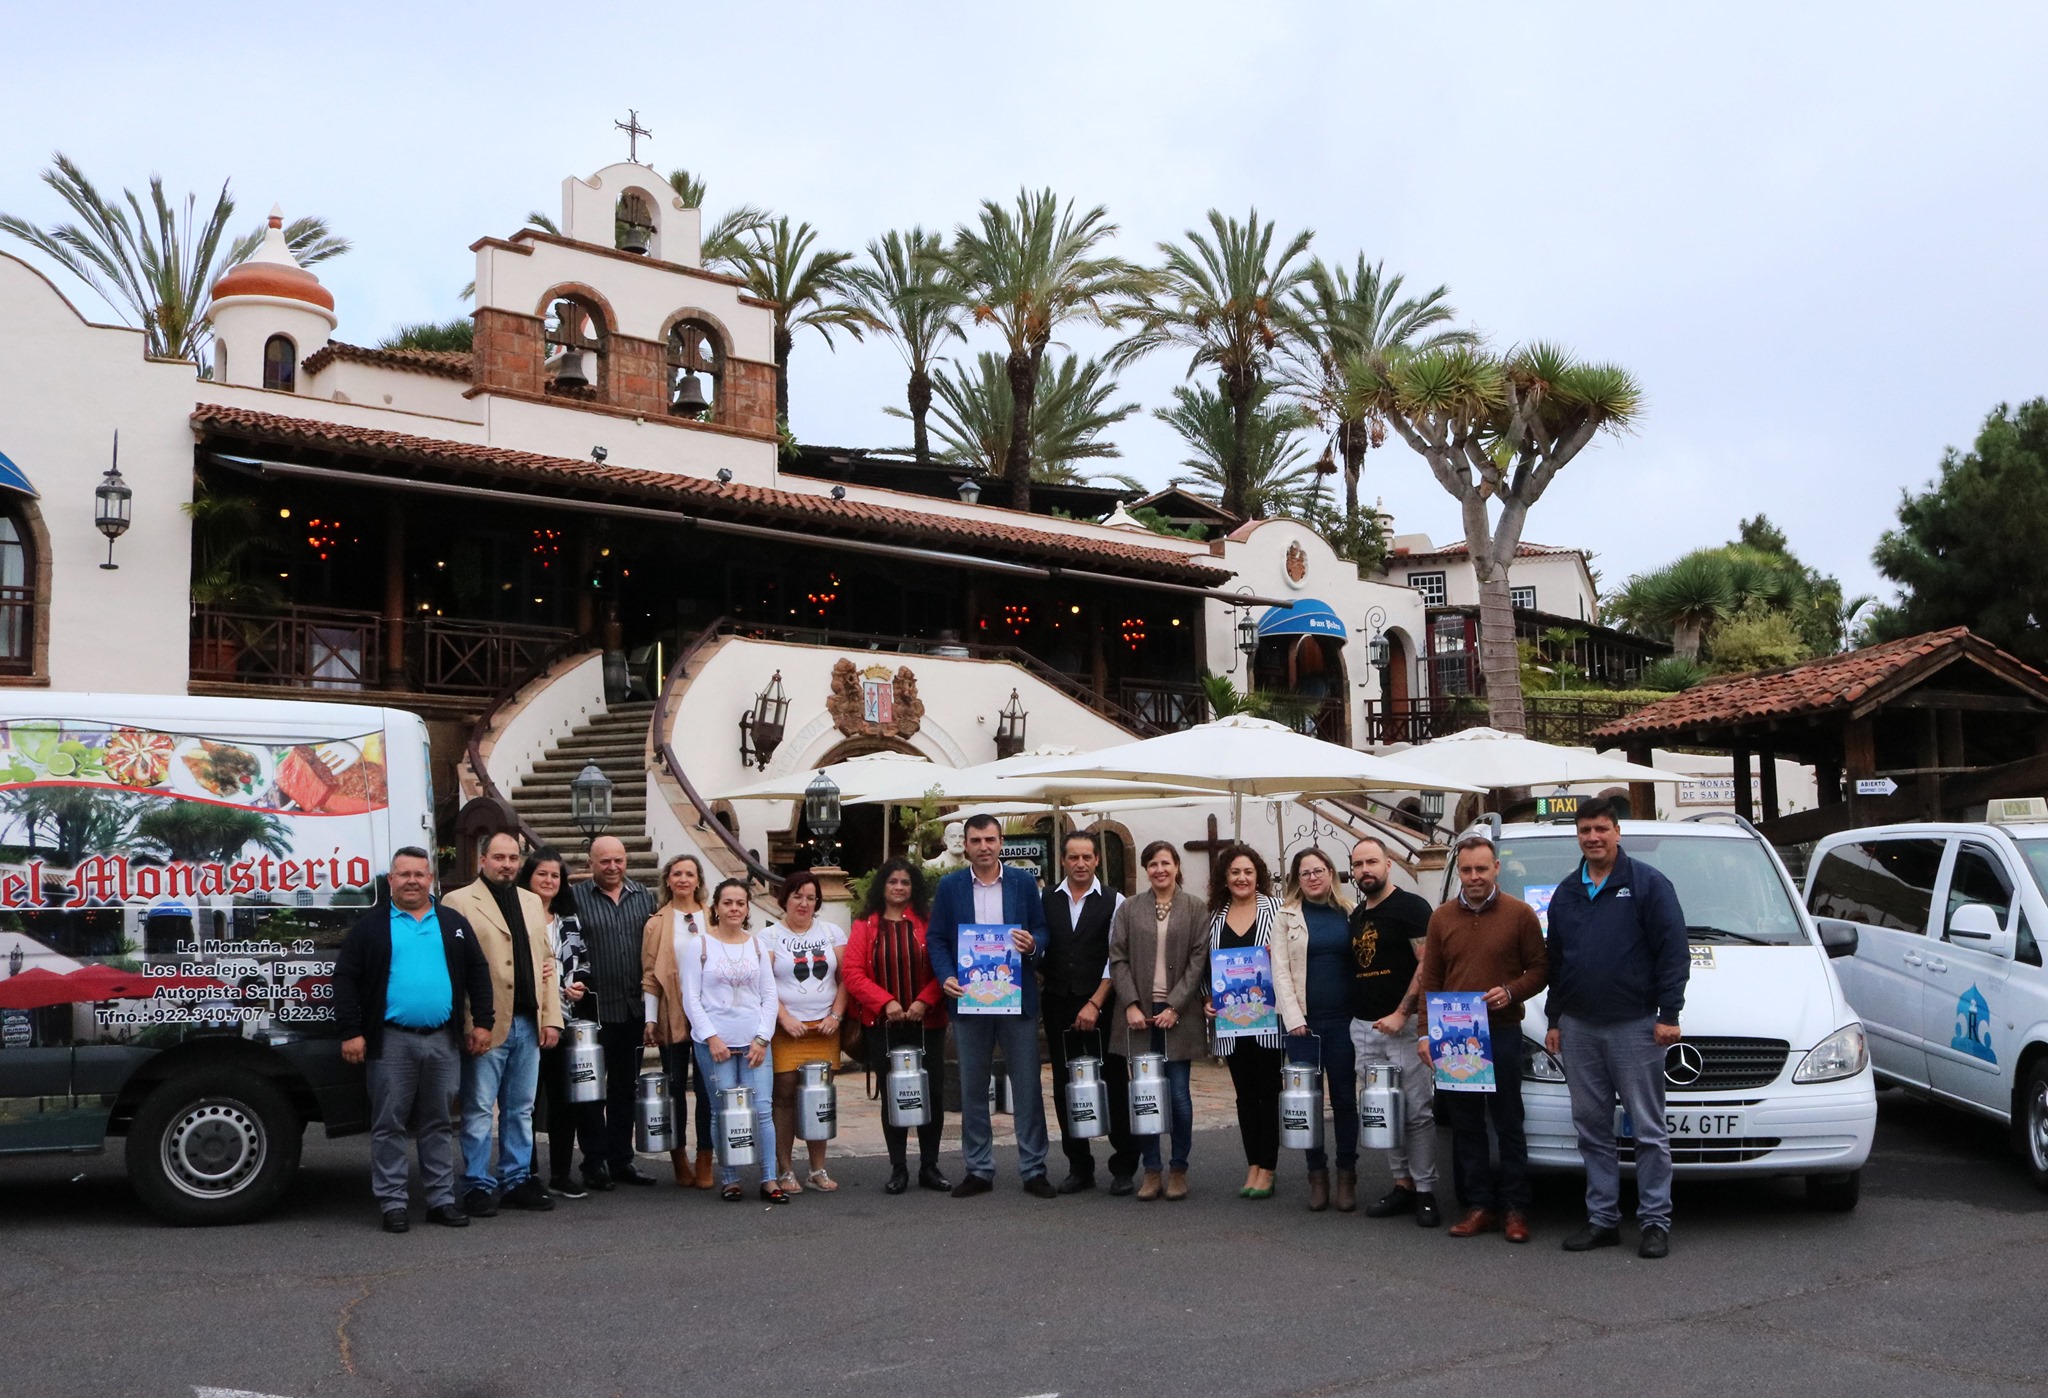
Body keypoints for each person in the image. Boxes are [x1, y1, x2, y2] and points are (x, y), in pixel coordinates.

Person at [1544, 797, 1690, 1260]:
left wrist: (1669, 1013)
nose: (1593, 837)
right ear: (1578, 835)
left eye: (1601, 829)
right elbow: (1557, 961)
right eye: (1585, 830)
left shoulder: (1647, 884)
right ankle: (1603, 1220)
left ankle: (1654, 1222)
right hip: (1580, 1027)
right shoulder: (1567, 892)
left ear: (1617, 832)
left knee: (1647, 1130)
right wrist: (1553, 1018)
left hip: (1636, 1026)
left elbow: (1673, 952)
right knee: (1592, 1129)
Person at [333, 847, 495, 1233]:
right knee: (388, 1124)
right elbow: (345, 979)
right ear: (391, 880)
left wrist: (484, 1023)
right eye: (403, 874)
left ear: (430, 879)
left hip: (443, 1041)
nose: (412, 881)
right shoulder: (371, 926)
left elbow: (477, 971)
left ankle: (440, 1201)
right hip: (391, 1042)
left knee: (438, 1123)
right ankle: (393, 1203)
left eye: (419, 874)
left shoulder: (452, 922)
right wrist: (351, 1032)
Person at [1416, 835, 1548, 1244]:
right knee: (1466, 1124)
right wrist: (1423, 1033)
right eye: (1467, 870)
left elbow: (1541, 968)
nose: (1474, 877)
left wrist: (1510, 991)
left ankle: (1514, 1208)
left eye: (1481, 869)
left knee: (1509, 1123)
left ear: (1496, 869)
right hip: (1453, 1036)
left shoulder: (1520, 914)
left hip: (1503, 1031)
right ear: (1459, 871)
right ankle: (1478, 1206)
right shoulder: (1441, 918)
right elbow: (1430, 979)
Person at [927, 812, 1055, 1198]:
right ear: (965, 845)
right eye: (976, 840)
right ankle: (979, 1169)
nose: (984, 847)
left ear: (1001, 843)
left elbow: (1042, 928)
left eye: (990, 840)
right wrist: (946, 974)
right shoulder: (950, 887)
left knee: (1028, 1087)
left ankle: (1034, 1168)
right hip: (969, 1001)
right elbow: (936, 939)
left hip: (1015, 999)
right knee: (972, 1087)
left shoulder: (1021, 882)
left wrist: (1034, 944)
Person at [443, 831, 564, 1217]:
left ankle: (516, 1180)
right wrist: (468, 1024)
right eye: (499, 857)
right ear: (483, 861)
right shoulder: (458, 901)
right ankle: (477, 1184)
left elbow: (547, 966)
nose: (507, 864)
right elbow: (455, 972)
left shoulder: (532, 902)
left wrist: (552, 1018)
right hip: (485, 1023)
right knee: (479, 1109)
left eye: (513, 857)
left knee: (520, 1109)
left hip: (528, 1022)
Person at [1347, 836, 1441, 1228]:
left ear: (1388, 865)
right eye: (1357, 864)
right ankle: (1401, 1184)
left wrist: (1403, 1013)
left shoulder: (1411, 907)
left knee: (1417, 1112)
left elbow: (1427, 964)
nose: (1365, 870)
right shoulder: (1357, 915)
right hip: (1364, 1028)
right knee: (1383, 1110)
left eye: (1372, 862)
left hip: (1401, 1027)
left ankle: (1425, 1191)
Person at [1107, 840, 1208, 1201]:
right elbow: (1117, 958)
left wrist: (1176, 1005)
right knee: (1145, 1096)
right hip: (1139, 1016)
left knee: (1179, 1095)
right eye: (1152, 864)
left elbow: (1199, 961)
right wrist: (1131, 1003)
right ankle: (1151, 1170)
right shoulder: (1130, 908)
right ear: (1146, 869)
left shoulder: (1196, 908)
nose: (1160, 869)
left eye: (1166, 863)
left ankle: (1178, 1168)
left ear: (1177, 866)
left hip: (1179, 1016)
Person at [843, 857, 949, 1194]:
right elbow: (852, 973)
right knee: (894, 1096)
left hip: (925, 1022)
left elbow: (944, 965)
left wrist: (925, 1000)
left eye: (905, 882)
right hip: (883, 1025)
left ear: (913, 887)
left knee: (931, 1094)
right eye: (893, 882)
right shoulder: (865, 925)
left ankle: (930, 1166)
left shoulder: (929, 923)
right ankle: (898, 1167)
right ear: (882, 887)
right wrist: (884, 1002)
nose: (899, 888)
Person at [1041, 828, 1137, 1196]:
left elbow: (1118, 957)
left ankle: (1124, 1165)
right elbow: (1041, 946)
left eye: (1087, 857)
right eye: (1073, 857)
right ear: (1063, 861)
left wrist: (1095, 1002)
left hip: (1103, 1003)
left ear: (1097, 860)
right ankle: (1079, 1166)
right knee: (1065, 1086)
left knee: (1113, 1081)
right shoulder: (1045, 898)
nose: (1080, 863)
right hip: (1058, 1001)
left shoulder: (1115, 901)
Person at [683, 878, 786, 1202]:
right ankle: (730, 1178)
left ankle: (769, 1178)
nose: (734, 909)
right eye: (727, 903)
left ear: (747, 909)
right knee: (721, 1111)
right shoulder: (698, 946)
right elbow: (691, 998)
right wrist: (711, 1038)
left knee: (763, 1110)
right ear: (715, 907)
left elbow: (769, 996)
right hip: (716, 1045)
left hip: (754, 1042)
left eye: (740, 903)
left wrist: (762, 1038)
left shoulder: (756, 946)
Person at [568, 834, 658, 1189]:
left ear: (626, 860)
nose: (612, 867)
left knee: (625, 1088)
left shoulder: (643, 897)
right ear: (591, 863)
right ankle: (594, 1161)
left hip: (632, 1008)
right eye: (604, 861)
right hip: (593, 1012)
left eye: (618, 860)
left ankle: (622, 1159)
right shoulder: (575, 899)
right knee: (591, 1091)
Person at [1272, 847, 1356, 1213]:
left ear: (1331, 873)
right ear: (1297, 879)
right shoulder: (1285, 916)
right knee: (1307, 1103)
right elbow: (1280, 971)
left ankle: (1347, 1174)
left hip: (1344, 1022)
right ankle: (1316, 1174)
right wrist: (1295, 1019)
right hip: (1304, 1025)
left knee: (1344, 1101)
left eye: (1318, 870)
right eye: (1305, 873)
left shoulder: (1350, 913)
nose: (1312, 877)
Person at [1206, 845, 1289, 1200]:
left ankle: (1268, 1167)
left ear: (1259, 876)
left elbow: (1292, 956)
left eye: (1248, 872)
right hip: (1231, 1022)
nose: (1242, 878)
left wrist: (1279, 953)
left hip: (1268, 1020)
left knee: (1267, 1094)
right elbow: (1206, 967)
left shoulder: (1278, 911)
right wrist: (1206, 998)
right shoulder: (1214, 917)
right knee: (1244, 1096)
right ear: (1225, 878)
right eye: (1235, 872)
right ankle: (1252, 1163)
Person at [522, 848, 604, 1199]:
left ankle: (559, 1173)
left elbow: (581, 961)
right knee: (524, 1102)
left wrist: (578, 984)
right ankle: (525, 1174)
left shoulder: (568, 919)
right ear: (529, 877)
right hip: (526, 1016)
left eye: (555, 876)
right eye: (542, 874)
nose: (549, 881)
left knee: (563, 1101)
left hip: (564, 1019)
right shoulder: (518, 915)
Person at [764, 869, 850, 1195]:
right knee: (784, 1096)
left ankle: (817, 1168)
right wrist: (783, 1018)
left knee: (819, 1097)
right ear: (784, 898)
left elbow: (845, 979)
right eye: (797, 896)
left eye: (811, 898)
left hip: (824, 1028)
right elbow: (766, 984)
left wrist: (837, 1015)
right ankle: (785, 1170)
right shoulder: (769, 936)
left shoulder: (831, 933)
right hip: (787, 1029)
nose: (804, 903)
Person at [643, 854, 716, 1190]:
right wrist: (650, 1019)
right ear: (668, 880)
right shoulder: (657, 923)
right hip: (672, 1013)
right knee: (674, 1090)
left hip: (711, 1017)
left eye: (690, 873)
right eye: (677, 874)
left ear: (698, 880)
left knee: (706, 1089)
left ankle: (705, 1155)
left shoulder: (714, 916)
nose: (684, 879)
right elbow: (649, 977)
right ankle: (678, 1156)